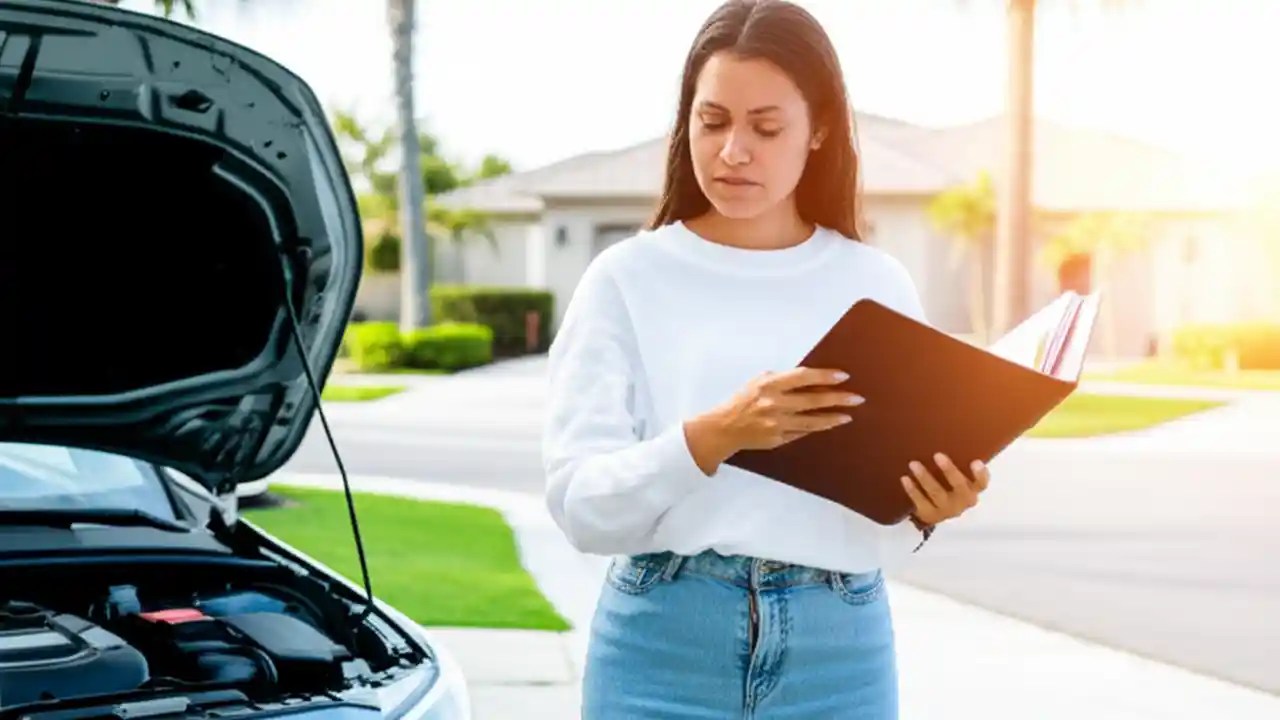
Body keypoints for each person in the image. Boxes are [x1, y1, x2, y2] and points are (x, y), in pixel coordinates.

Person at [541, 0, 992, 716]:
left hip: (838, 653)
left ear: (818, 132)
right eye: (712, 121)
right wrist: (714, 435)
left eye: (767, 127)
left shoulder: (874, 285)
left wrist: (931, 506)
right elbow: (581, 508)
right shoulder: (626, 279)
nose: (732, 151)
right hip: (661, 645)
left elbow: (887, 520)